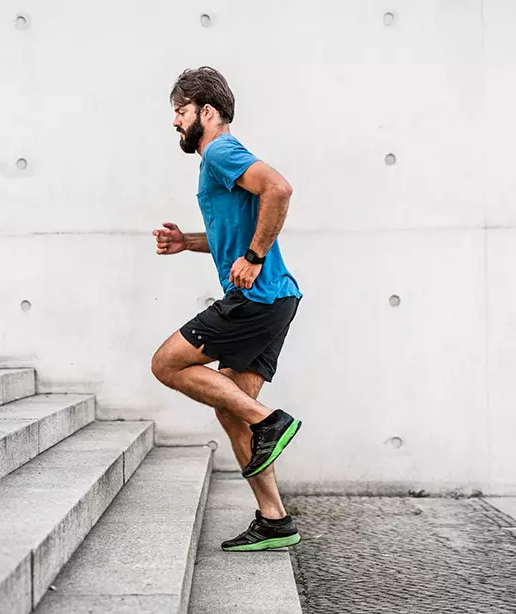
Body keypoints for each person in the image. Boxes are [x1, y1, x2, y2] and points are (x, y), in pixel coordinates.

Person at [150, 66, 304, 552]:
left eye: (180, 111)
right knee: (231, 410)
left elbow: (278, 189)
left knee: (167, 363)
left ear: (207, 111)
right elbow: (232, 232)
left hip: (257, 299)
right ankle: (274, 519)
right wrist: (187, 242)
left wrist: (254, 258)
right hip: (278, 299)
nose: (175, 122)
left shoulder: (219, 150)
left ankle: (271, 421)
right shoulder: (217, 162)